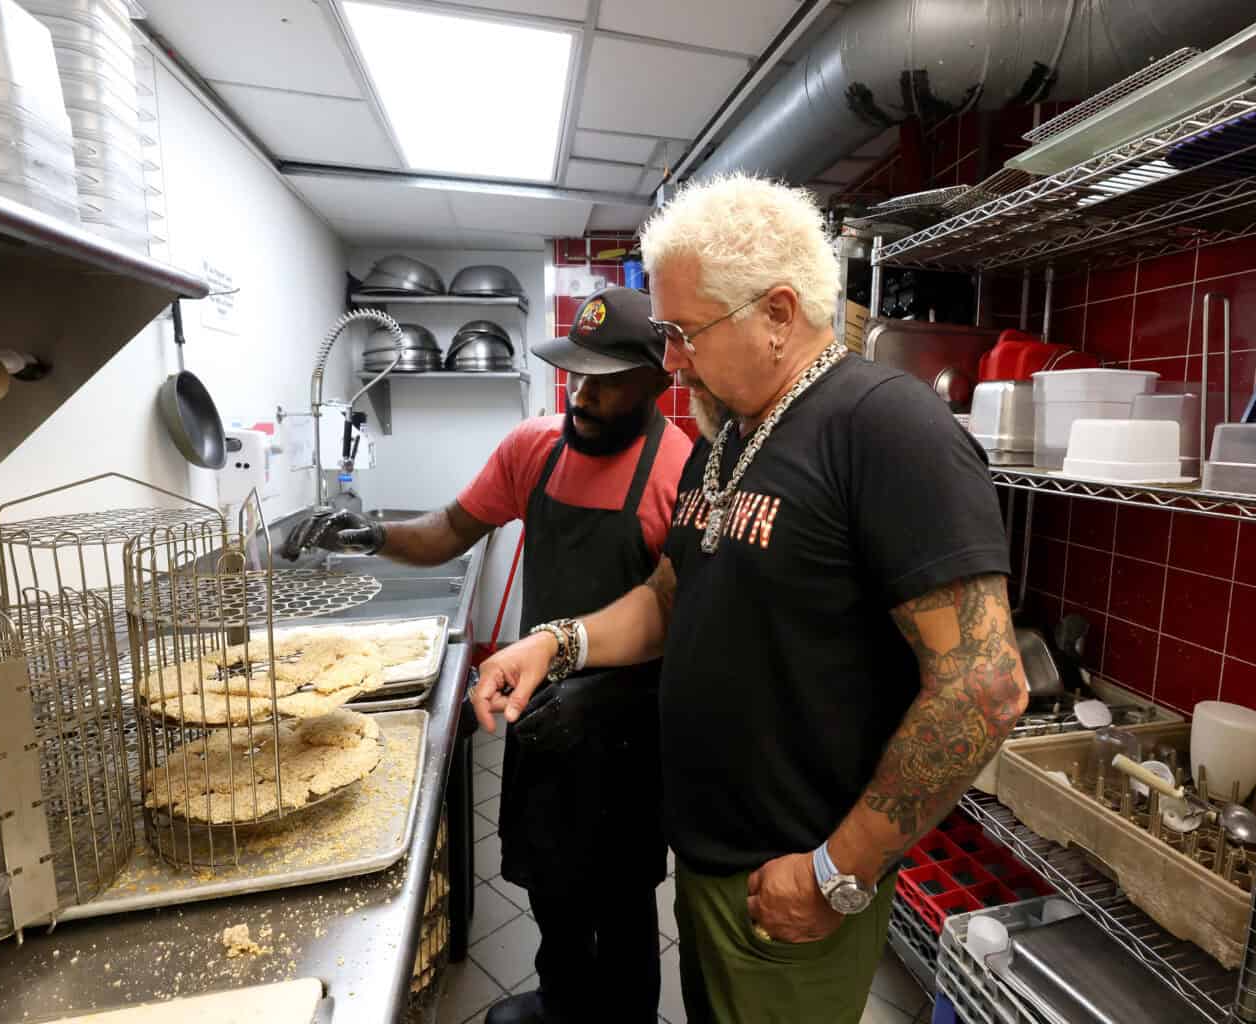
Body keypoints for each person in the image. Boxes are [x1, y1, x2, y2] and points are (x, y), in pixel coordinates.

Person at [471, 175, 1028, 1024]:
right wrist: (558, 642)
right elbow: (671, 593)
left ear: (776, 313)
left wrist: (839, 871)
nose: (671, 360)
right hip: (705, 852)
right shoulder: (727, 437)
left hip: (795, 875)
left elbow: (984, 685)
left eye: (685, 333)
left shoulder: (888, 429)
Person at [283, 287, 693, 1024]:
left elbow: (680, 616)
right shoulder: (533, 448)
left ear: (654, 384)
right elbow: (447, 530)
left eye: (607, 379)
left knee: (623, 905)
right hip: (541, 711)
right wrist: (370, 536)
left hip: (630, 733)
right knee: (550, 888)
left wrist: (607, 691)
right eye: (577, 374)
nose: (585, 394)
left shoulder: (680, 471)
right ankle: (561, 1002)